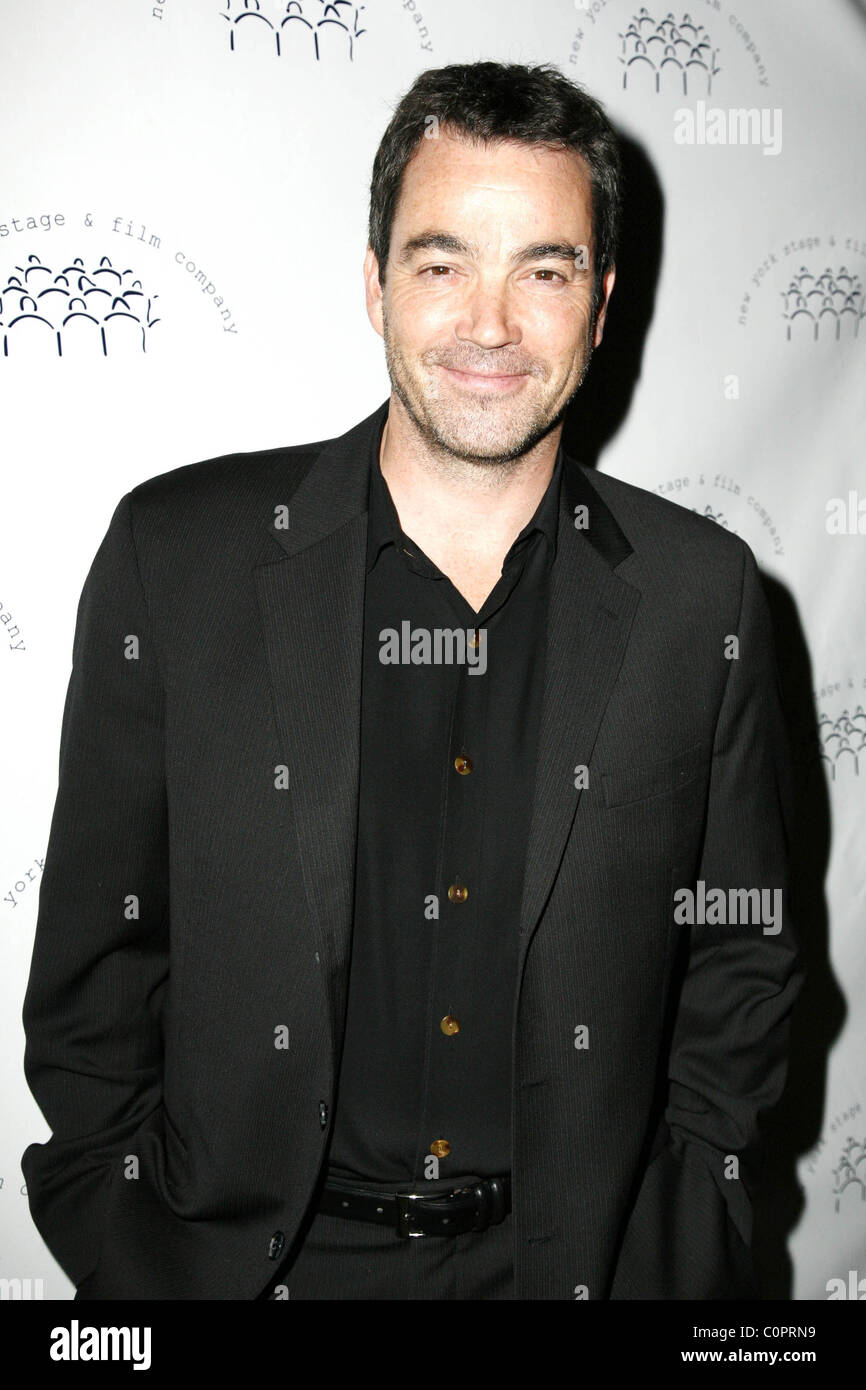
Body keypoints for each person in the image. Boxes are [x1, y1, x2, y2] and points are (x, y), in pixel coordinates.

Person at [21, 60, 803, 1301]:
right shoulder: (178, 560)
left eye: (541, 271)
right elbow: (97, 967)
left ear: (601, 306)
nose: (488, 323)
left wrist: (685, 1223)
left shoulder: (700, 597)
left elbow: (740, 955)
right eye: (442, 264)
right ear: (373, 285)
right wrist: (132, 1245)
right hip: (243, 1272)